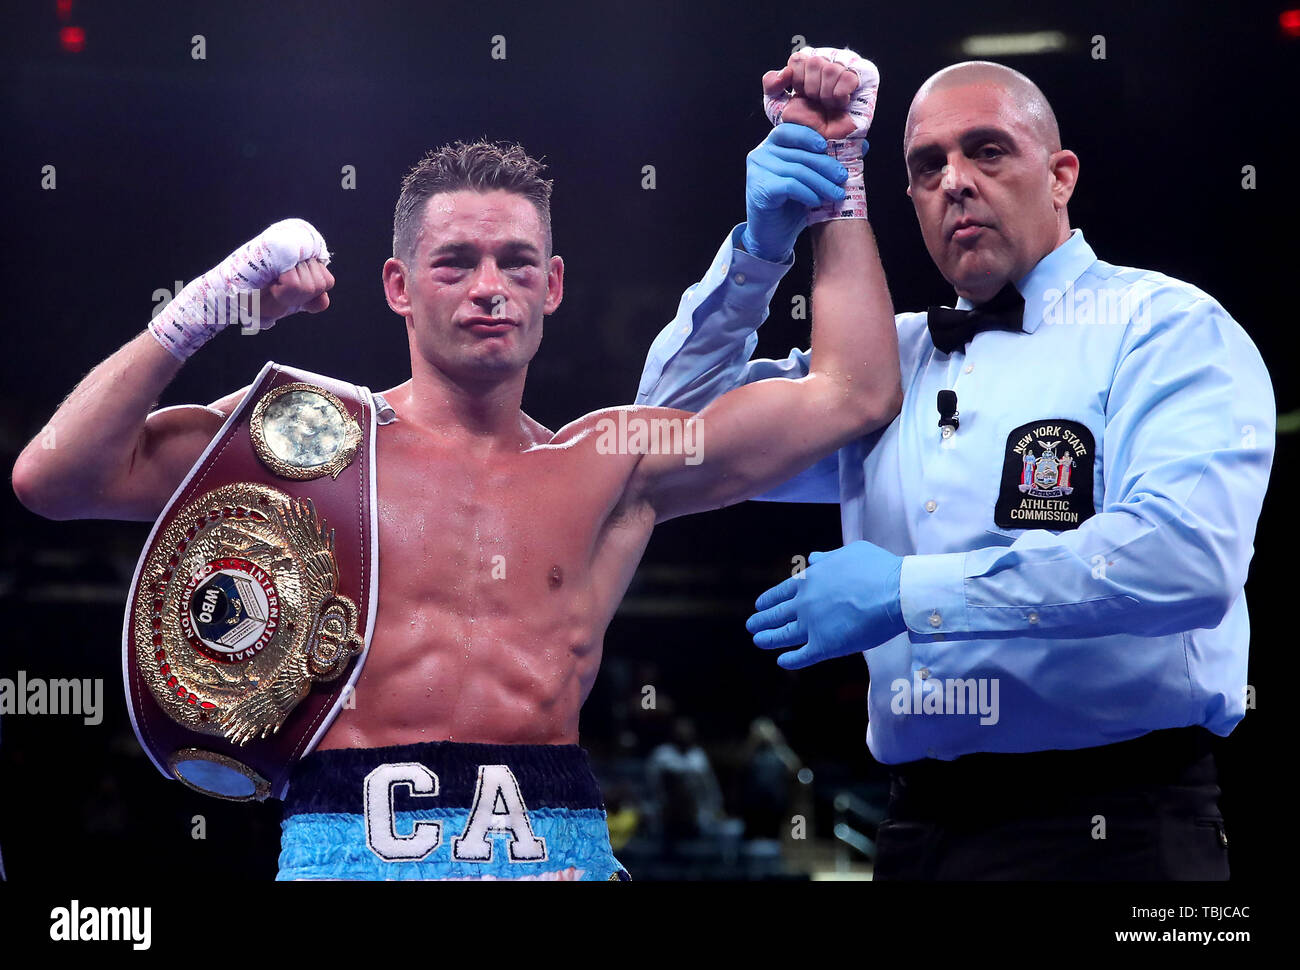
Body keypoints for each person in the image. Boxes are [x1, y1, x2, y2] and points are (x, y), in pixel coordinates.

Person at [11, 118, 901, 877]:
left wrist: (843, 171)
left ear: (550, 287)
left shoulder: (613, 458)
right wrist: (203, 309)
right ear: (398, 287)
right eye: (455, 263)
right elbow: (55, 477)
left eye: (516, 263)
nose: (488, 289)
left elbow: (853, 392)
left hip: (560, 850)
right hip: (342, 846)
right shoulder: (305, 444)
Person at [637, 51, 1275, 880]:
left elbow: (1184, 559)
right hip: (919, 832)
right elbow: (669, 437)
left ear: (1060, 176)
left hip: (1120, 827)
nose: (956, 181)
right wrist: (759, 252)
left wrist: (907, 593)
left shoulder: (1164, 327)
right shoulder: (878, 367)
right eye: (926, 165)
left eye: (987, 150)